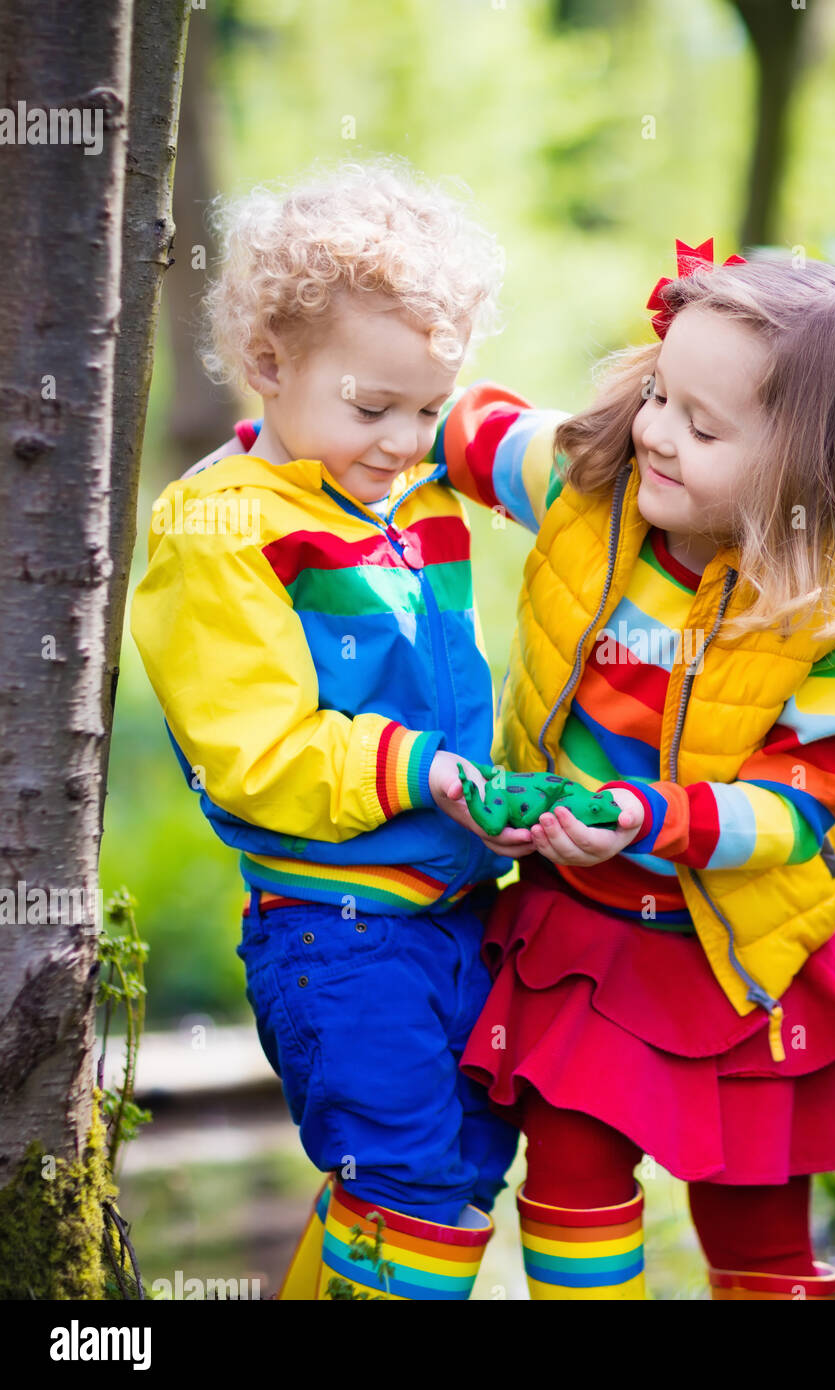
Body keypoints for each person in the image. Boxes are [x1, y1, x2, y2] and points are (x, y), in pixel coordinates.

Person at [439, 239, 835, 1299]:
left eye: (703, 427)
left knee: (756, 1215)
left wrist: (644, 814)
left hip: (741, 950)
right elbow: (454, 424)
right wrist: (290, 443)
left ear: (809, 473)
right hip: (583, 930)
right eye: (660, 394)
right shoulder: (590, 484)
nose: (658, 433)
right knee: (569, 1179)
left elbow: (799, 806)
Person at [129, 160, 543, 1301]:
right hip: (341, 930)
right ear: (269, 363)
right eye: (374, 408)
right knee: (403, 1180)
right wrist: (427, 771)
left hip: (458, 906)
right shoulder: (223, 532)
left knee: (459, 1176)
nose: (407, 441)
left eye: (427, 410)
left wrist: (497, 796)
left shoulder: (403, 494)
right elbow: (254, 751)